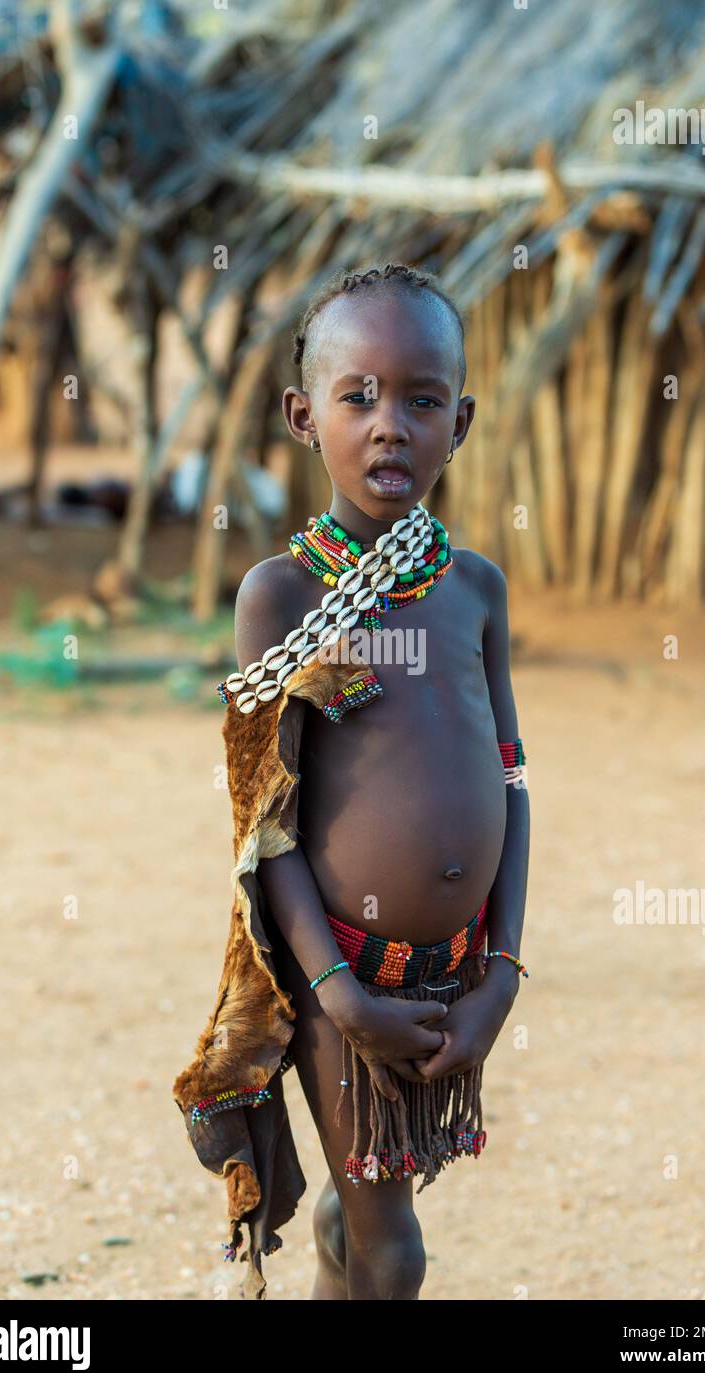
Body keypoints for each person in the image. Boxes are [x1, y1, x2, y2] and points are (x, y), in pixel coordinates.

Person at [176, 262, 530, 1301]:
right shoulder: (280, 594)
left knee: (367, 1205)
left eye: (422, 400)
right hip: (345, 983)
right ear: (301, 415)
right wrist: (339, 992)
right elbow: (265, 831)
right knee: (393, 1251)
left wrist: (501, 970)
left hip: (454, 975)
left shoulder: (472, 591)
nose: (390, 426)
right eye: (358, 396)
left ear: (457, 422)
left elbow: (510, 780)